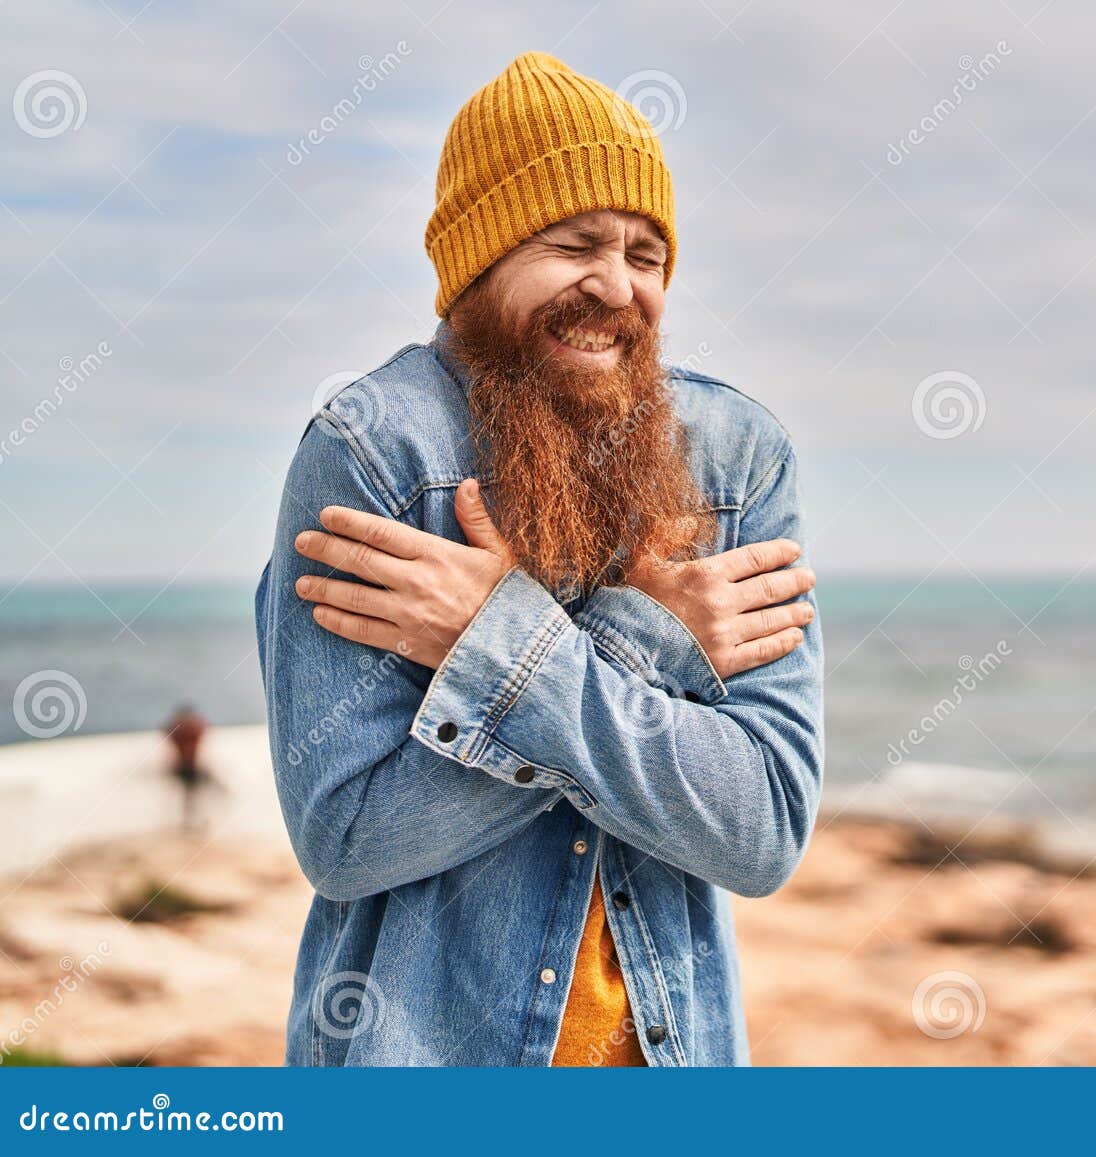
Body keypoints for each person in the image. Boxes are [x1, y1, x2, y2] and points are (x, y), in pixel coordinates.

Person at [254, 51, 823, 1067]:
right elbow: (346, 837)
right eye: (575, 244)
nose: (618, 286)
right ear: (481, 256)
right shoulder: (374, 450)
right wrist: (646, 640)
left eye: (647, 253)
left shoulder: (737, 458)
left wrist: (501, 649)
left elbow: (763, 825)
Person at [163, 703, 218, 834]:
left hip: (188, 766)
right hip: (188, 766)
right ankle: (191, 822)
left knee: (191, 795)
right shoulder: (189, 730)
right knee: (191, 795)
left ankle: (192, 821)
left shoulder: (183, 731)